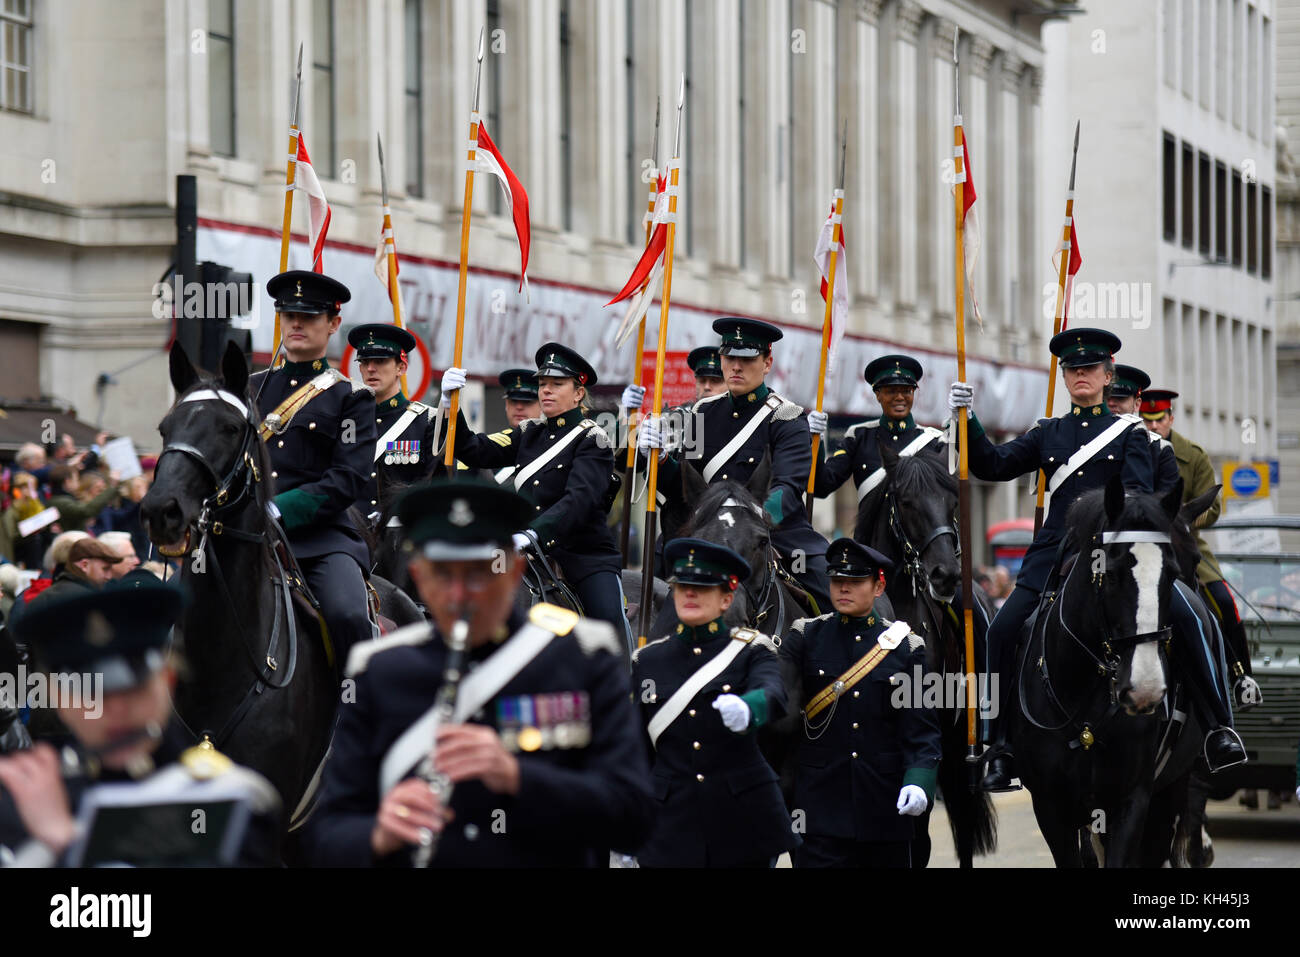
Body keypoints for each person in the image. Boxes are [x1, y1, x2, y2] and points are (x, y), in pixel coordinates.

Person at [948, 328, 1244, 790]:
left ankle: (1219, 727)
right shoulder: (1048, 432)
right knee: (1002, 630)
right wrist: (967, 420)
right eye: (1072, 369)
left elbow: (1141, 494)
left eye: (1089, 369)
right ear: (1065, 378)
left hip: (1118, 549)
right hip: (1054, 553)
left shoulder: (1131, 435)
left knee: (1190, 613)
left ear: (1108, 377)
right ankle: (999, 744)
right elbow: (993, 465)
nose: (1080, 375)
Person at [305, 479, 654, 867]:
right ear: (418, 575)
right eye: (442, 574)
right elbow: (325, 836)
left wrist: (518, 777)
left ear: (513, 569)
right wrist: (377, 834)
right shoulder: (380, 670)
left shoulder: (582, 658)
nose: (458, 594)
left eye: (478, 573)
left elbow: (634, 818)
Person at [0, 579, 281, 866]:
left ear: (168, 680)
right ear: (59, 701)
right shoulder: (21, 802)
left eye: (135, 687)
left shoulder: (228, 801)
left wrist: (67, 849)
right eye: (91, 693)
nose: (117, 707)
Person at [437, 343, 630, 648]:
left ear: (578, 393)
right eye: (542, 384)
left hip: (580, 553)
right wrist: (449, 405)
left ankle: (618, 686)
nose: (546, 391)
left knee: (606, 625)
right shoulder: (528, 432)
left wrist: (532, 534)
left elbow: (580, 499)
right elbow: (473, 450)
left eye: (556, 384)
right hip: (524, 551)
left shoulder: (594, 439)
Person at [638, 317, 831, 612]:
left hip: (773, 534)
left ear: (767, 363)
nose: (735, 367)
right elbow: (682, 488)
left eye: (747, 359)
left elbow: (788, 490)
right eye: (729, 358)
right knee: (649, 592)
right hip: (708, 530)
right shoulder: (701, 413)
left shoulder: (787, 418)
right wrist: (659, 457)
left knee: (834, 586)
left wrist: (752, 521)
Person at [630, 537, 796, 867]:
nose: (689, 595)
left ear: (726, 599)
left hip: (741, 820)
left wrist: (750, 708)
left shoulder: (752, 650)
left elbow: (773, 691)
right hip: (669, 824)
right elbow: (635, 748)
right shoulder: (646, 661)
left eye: (702, 588)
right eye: (683, 587)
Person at [778, 538, 940, 867]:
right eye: (837, 581)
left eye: (854, 582)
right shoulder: (805, 636)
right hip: (819, 812)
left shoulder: (906, 648)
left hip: (884, 809)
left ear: (878, 587)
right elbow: (775, 685)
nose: (843, 589)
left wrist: (919, 780)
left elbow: (921, 729)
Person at [249, 270, 378, 669]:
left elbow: (349, 478)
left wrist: (279, 509)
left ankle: (355, 707)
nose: (296, 324)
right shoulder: (250, 388)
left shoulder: (351, 397)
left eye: (308, 317)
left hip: (319, 541)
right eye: (289, 316)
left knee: (347, 615)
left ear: (333, 324)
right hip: (247, 533)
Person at [1141, 388, 1260, 710]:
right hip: (1140, 543)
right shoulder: (1135, 450)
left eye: (1158, 420)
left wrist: (1185, 517)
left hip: (1184, 540)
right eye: (1147, 420)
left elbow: (1214, 507)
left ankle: (1242, 677)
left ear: (1170, 419)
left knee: (1222, 601)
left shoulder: (1192, 454)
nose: (1153, 427)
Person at [348, 322, 439, 524]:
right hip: (352, 535)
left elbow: (436, 490)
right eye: (364, 361)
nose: (371, 368)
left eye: (380, 361)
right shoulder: (346, 421)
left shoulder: (426, 422)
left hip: (403, 536)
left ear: (401, 367)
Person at [1108, 364, 1179, 493]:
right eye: (1106, 397)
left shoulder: (1160, 450)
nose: (1112, 404)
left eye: (1120, 398)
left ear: (1137, 404)